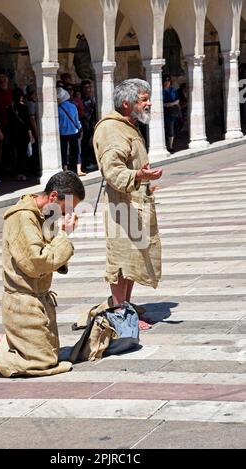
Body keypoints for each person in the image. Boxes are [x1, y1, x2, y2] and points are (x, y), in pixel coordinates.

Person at [0, 171, 85, 379]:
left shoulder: (46, 214)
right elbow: (37, 263)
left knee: (49, 353)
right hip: (22, 302)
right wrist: (64, 235)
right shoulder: (22, 217)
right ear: (54, 197)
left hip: (38, 300)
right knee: (41, 362)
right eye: (68, 207)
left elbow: (51, 254)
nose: (68, 213)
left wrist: (60, 234)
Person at [93, 78, 162, 330]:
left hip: (136, 202)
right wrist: (138, 177)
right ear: (126, 103)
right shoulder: (112, 129)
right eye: (143, 99)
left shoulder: (129, 125)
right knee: (121, 261)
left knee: (133, 259)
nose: (148, 103)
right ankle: (120, 313)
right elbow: (113, 171)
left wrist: (144, 183)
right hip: (120, 206)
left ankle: (127, 307)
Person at [57, 87, 85, 176]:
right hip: (73, 131)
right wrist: (80, 127)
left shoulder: (57, 108)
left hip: (62, 133)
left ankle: (65, 169)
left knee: (64, 151)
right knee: (76, 151)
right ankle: (78, 169)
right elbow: (76, 120)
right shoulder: (73, 106)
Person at [7, 87, 33, 181]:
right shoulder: (24, 107)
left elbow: (8, 123)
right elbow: (27, 122)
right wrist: (30, 134)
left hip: (13, 134)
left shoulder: (9, 108)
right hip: (23, 134)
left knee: (16, 153)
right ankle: (22, 173)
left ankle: (18, 172)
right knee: (23, 154)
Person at [162, 74, 180, 153]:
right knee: (166, 128)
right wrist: (170, 104)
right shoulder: (161, 91)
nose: (167, 82)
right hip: (163, 112)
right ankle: (165, 145)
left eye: (168, 80)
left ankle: (170, 146)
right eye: (165, 80)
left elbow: (177, 100)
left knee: (171, 128)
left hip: (172, 112)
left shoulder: (173, 90)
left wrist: (171, 104)